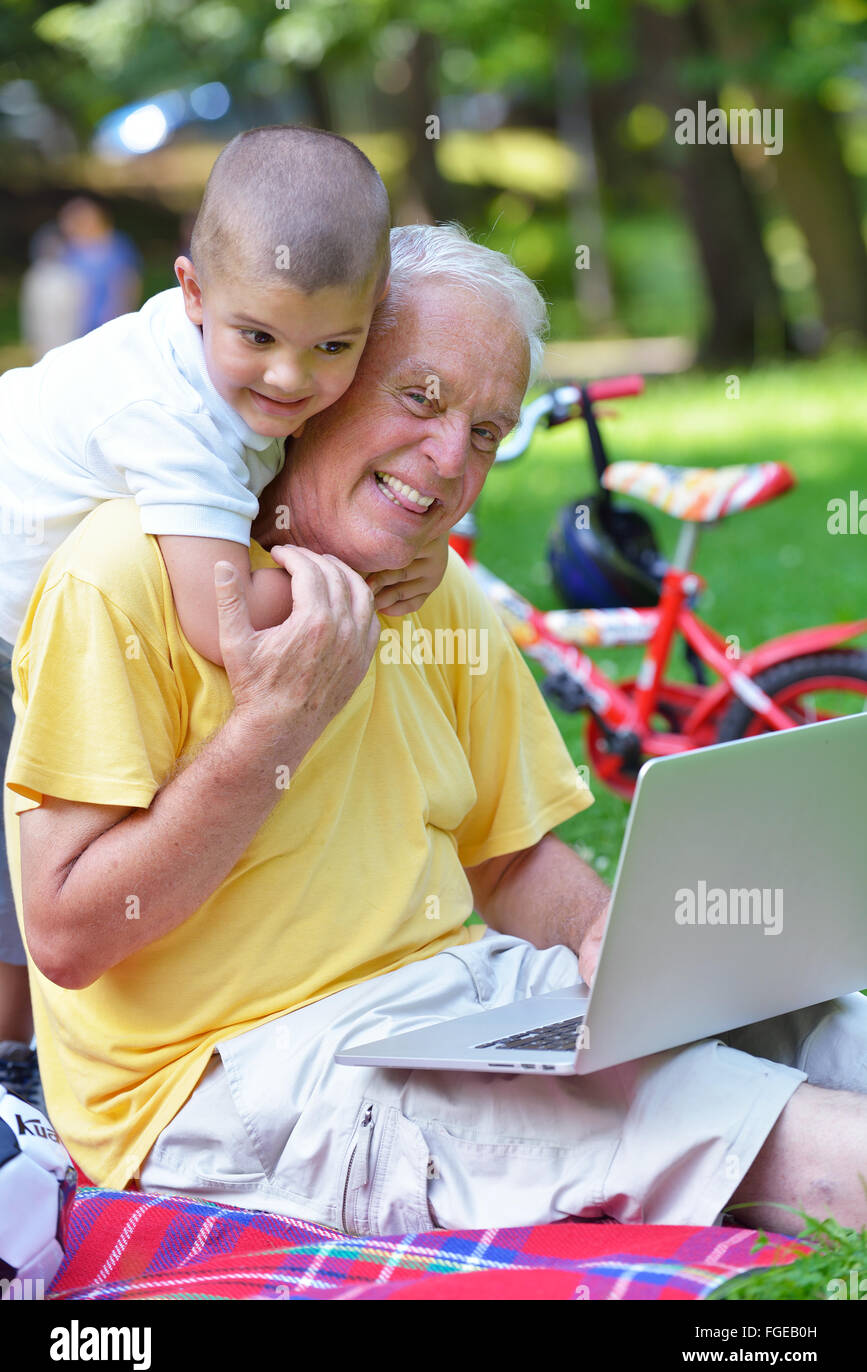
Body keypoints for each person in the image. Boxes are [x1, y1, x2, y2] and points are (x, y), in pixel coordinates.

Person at [5, 224, 867, 1237]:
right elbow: (64, 933)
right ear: (323, 379)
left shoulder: (434, 581)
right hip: (241, 1080)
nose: (451, 459)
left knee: (824, 1013)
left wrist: (608, 943)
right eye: (419, 398)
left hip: (465, 1004)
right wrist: (280, 720)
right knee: (756, 1132)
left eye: (489, 430)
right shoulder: (128, 571)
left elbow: (507, 861)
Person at [0, 126, 450, 1107]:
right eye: (258, 339)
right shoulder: (168, 413)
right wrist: (349, 586)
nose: (290, 380)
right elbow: (221, 621)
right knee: (27, 848)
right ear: (191, 292)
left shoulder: (239, 367)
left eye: (333, 347)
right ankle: (15, 1067)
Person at [56, 196, 141, 335]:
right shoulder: (70, 251)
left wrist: (116, 317)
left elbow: (126, 285)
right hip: (76, 327)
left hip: (107, 323)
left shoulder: (117, 247)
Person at [18, 223, 86, 362]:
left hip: (69, 334)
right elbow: (29, 310)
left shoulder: (72, 273)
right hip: (43, 335)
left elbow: (80, 307)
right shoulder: (35, 276)